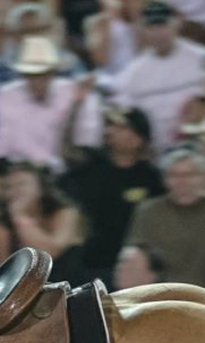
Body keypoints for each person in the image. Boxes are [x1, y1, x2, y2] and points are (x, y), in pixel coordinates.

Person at [61, 97, 163, 282]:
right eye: (110, 126)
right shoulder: (91, 167)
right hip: (88, 263)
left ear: (138, 138)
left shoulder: (152, 178)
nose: (111, 131)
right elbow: (67, 152)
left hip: (130, 269)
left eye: (121, 127)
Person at [123, 146, 205, 290]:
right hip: (158, 293)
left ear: (204, 178)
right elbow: (135, 254)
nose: (182, 181)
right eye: (174, 175)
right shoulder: (149, 211)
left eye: (190, 175)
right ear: (165, 179)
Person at [0, 35, 100, 170]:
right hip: (19, 170)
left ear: (53, 72)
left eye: (43, 73)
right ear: (22, 75)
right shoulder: (5, 97)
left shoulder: (74, 93)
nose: (37, 81)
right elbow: (0, 145)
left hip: (66, 172)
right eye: (31, 75)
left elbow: (86, 143)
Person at [113, 1, 205, 149]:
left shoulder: (202, 58)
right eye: (151, 27)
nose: (158, 33)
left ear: (176, 24)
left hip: (196, 143)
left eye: (162, 25)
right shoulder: (132, 72)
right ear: (142, 30)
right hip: (152, 149)